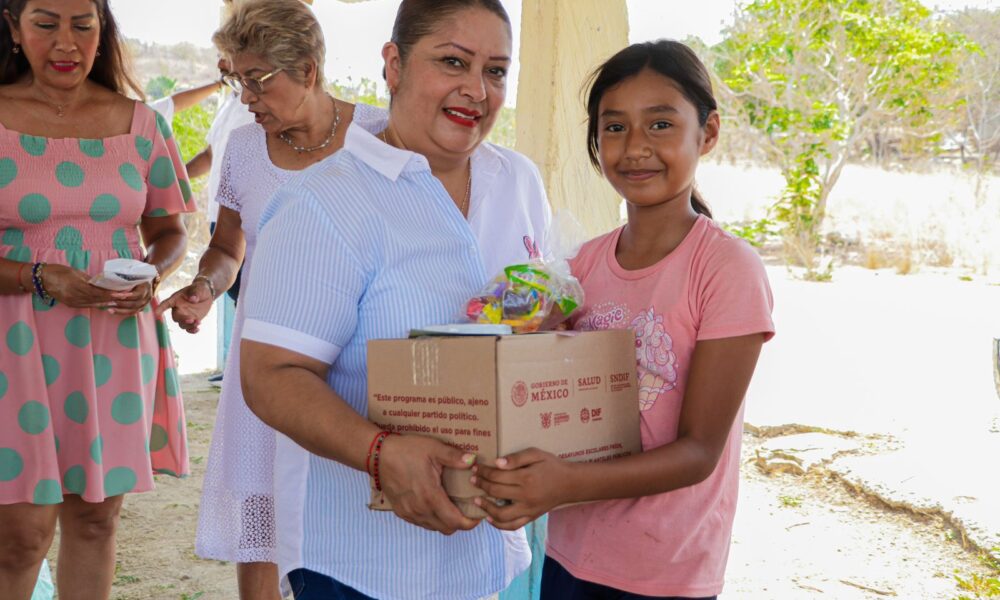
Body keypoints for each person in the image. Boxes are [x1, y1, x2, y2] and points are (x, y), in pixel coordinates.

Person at [238, 0, 550, 598]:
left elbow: (535, 313)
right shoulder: (326, 202)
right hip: (360, 564)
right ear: (394, 65)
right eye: (452, 62)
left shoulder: (517, 181)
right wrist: (380, 452)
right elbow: (270, 374)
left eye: (495, 71)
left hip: (487, 555)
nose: (476, 90)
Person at [472, 40, 776, 600]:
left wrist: (564, 485)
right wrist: (524, 337)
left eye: (660, 124)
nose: (636, 147)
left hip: (664, 570)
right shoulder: (580, 266)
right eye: (614, 128)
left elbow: (698, 452)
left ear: (706, 133)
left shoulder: (726, 268)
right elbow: (549, 401)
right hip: (569, 552)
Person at [156, 1, 384, 599]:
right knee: (261, 523)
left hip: (355, 368)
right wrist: (205, 288)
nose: (244, 97)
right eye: (235, 80)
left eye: (256, 80)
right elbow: (229, 246)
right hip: (264, 366)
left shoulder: (383, 138)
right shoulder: (243, 150)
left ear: (308, 71)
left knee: (350, 520)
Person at [0, 0, 192, 598]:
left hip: (112, 335)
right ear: (12, 27)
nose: (66, 42)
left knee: (96, 519)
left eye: (83, 25)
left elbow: (170, 229)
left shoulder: (141, 124)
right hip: (14, 342)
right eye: (46, 23)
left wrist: (151, 274)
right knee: (22, 534)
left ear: (102, 31)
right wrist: (39, 276)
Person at [148, 78, 224, 124]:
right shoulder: (144, 115)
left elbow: (176, 102)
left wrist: (220, 84)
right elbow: (175, 102)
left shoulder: (145, 113)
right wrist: (219, 84)